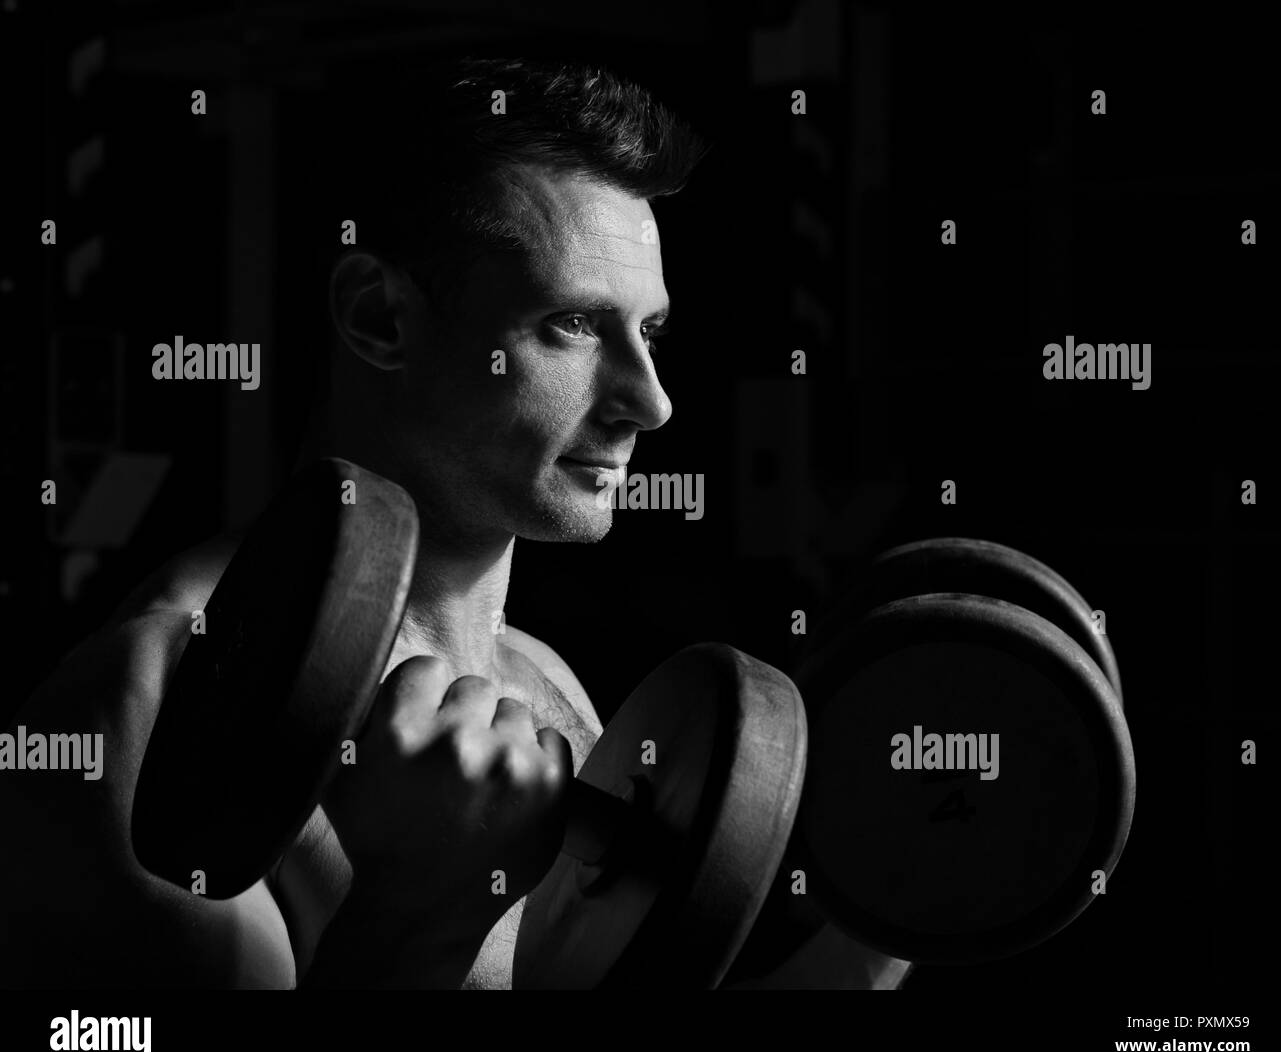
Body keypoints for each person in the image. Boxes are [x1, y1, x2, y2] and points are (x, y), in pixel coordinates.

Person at [0, 57, 908, 990]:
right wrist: (418, 909)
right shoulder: (149, 716)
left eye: (652, 332)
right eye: (572, 325)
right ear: (380, 317)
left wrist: (903, 890)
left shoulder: (541, 681)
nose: (652, 401)